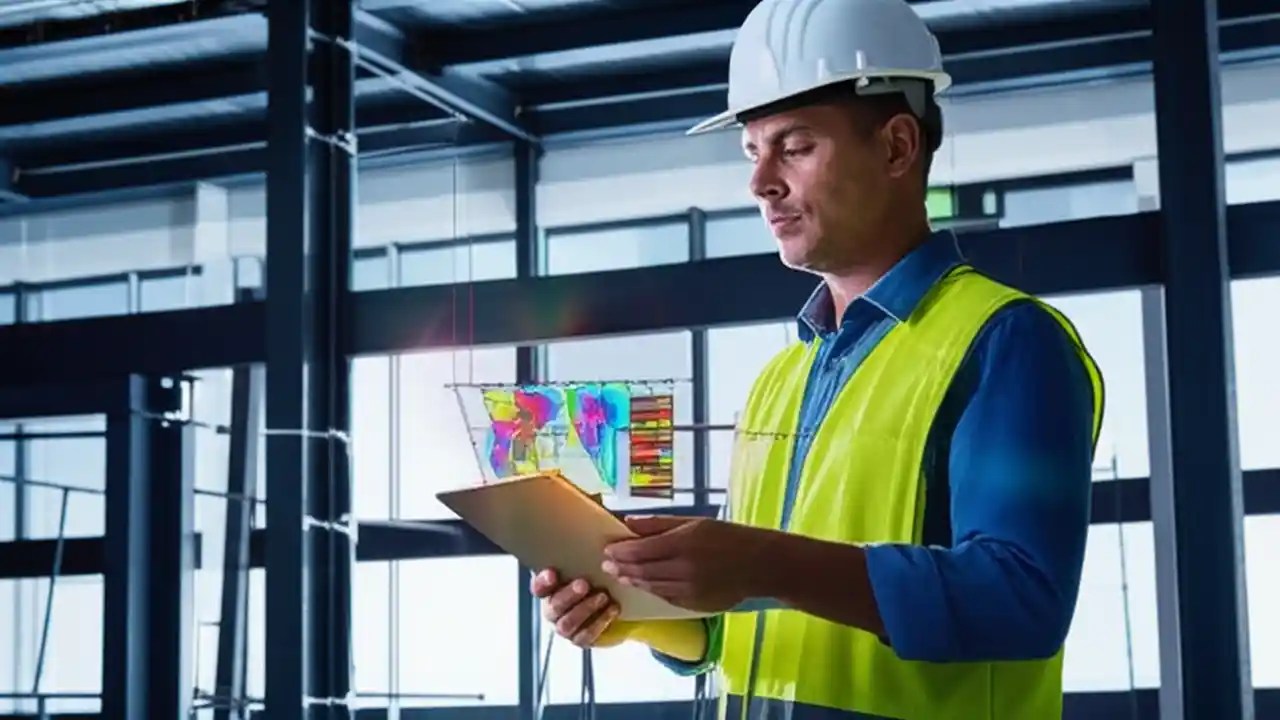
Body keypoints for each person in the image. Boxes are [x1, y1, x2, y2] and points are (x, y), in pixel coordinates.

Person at [531, 0, 1104, 717]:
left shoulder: (1005, 341)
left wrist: (763, 562)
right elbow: (741, 629)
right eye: (752, 152)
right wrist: (638, 603)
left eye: (794, 147)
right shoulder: (783, 376)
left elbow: (1023, 600)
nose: (760, 182)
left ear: (897, 148)